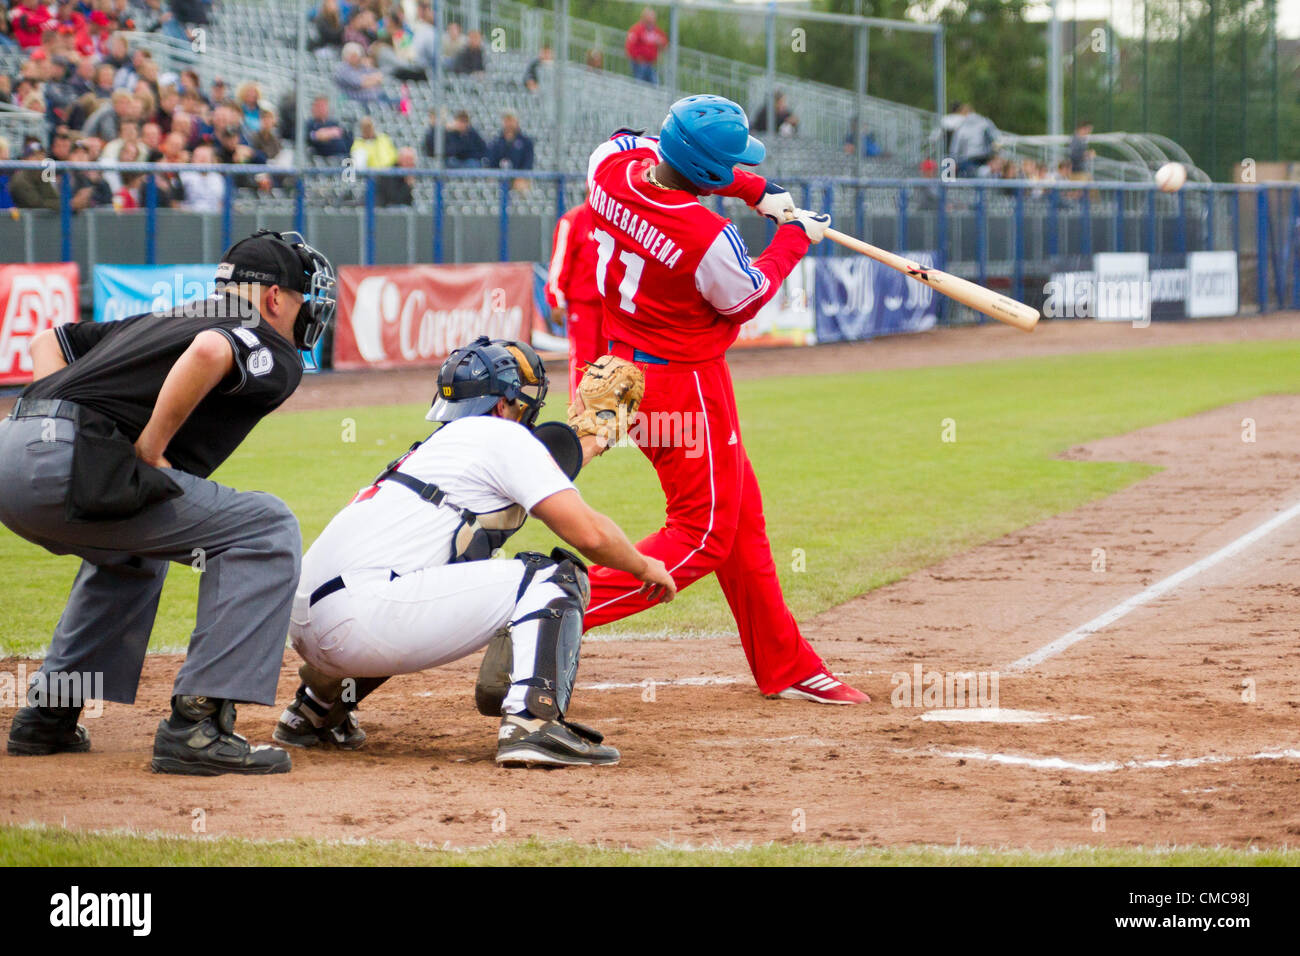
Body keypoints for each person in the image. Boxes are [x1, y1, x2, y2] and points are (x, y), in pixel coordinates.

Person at [1, 230, 337, 775]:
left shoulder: (167, 316)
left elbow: (49, 341)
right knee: (266, 529)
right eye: (303, 299)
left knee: (133, 553)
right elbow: (210, 351)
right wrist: (150, 449)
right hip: (67, 464)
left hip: (11, 450)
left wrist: (52, 424)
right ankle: (197, 727)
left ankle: (49, 717)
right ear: (274, 297)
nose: (307, 312)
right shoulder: (268, 341)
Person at [573, 94, 868, 705]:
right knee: (704, 533)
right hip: (683, 382)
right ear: (708, 173)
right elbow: (746, 299)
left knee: (739, 520)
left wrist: (754, 189)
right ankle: (549, 610)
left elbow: (637, 141)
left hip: (620, 370)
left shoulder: (610, 167)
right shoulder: (704, 233)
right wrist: (793, 237)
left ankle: (786, 664)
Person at [275, 338, 675, 766]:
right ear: (503, 405)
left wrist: (591, 442)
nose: (526, 412)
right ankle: (531, 723)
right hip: (363, 621)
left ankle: (313, 711)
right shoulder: (499, 436)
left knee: (413, 577)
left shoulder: (437, 449)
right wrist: (644, 565)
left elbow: (529, 481)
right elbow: (590, 535)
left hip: (308, 628)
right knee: (552, 576)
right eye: (521, 401)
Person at [546, 198, 602, 401]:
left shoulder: (615, 218)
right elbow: (559, 263)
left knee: (610, 366)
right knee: (583, 362)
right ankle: (579, 416)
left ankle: (606, 418)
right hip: (583, 306)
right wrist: (556, 300)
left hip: (611, 307)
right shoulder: (572, 220)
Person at [949, 103, 999, 178]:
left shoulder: (961, 126)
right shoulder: (985, 121)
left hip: (968, 160)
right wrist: (995, 158)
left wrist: (953, 161)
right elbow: (996, 139)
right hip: (986, 158)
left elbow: (955, 148)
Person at [625, 6, 666, 84]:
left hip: (651, 64)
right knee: (640, 84)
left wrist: (661, 44)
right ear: (644, 18)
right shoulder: (637, 29)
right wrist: (637, 57)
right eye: (650, 18)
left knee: (655, 85)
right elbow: (630, 45)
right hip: (639, 63)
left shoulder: (655, 31)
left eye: (653, 18)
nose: (652, 21)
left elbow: (664, 42)